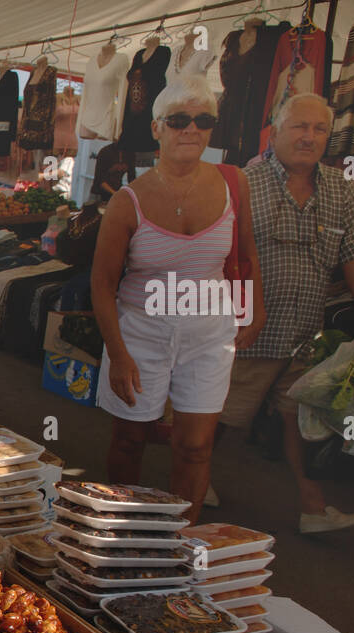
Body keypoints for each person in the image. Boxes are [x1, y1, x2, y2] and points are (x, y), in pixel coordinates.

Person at [91, 74, 266, 525]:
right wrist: (117, 351)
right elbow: (102, 285)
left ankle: (179, 541)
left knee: (194, 445)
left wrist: (254, 305)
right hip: (140, 332)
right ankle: (122, 530)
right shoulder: (128, 201)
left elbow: (246, 252)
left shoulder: (234, 183)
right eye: (179, 120)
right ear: (156, 128)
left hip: (209, 331)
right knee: (131, 438)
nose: (191, 130)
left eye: (203, 120)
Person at [216, 93, 354, 533]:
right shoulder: (245, 182)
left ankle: (312, 506)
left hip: (307, 333)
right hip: (250, 333)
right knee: (219, 419)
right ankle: (189, 483)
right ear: (276, 130)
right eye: (300, 127)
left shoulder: (342, 189)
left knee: (299, 416)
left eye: (319, 129)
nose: (309, 137)